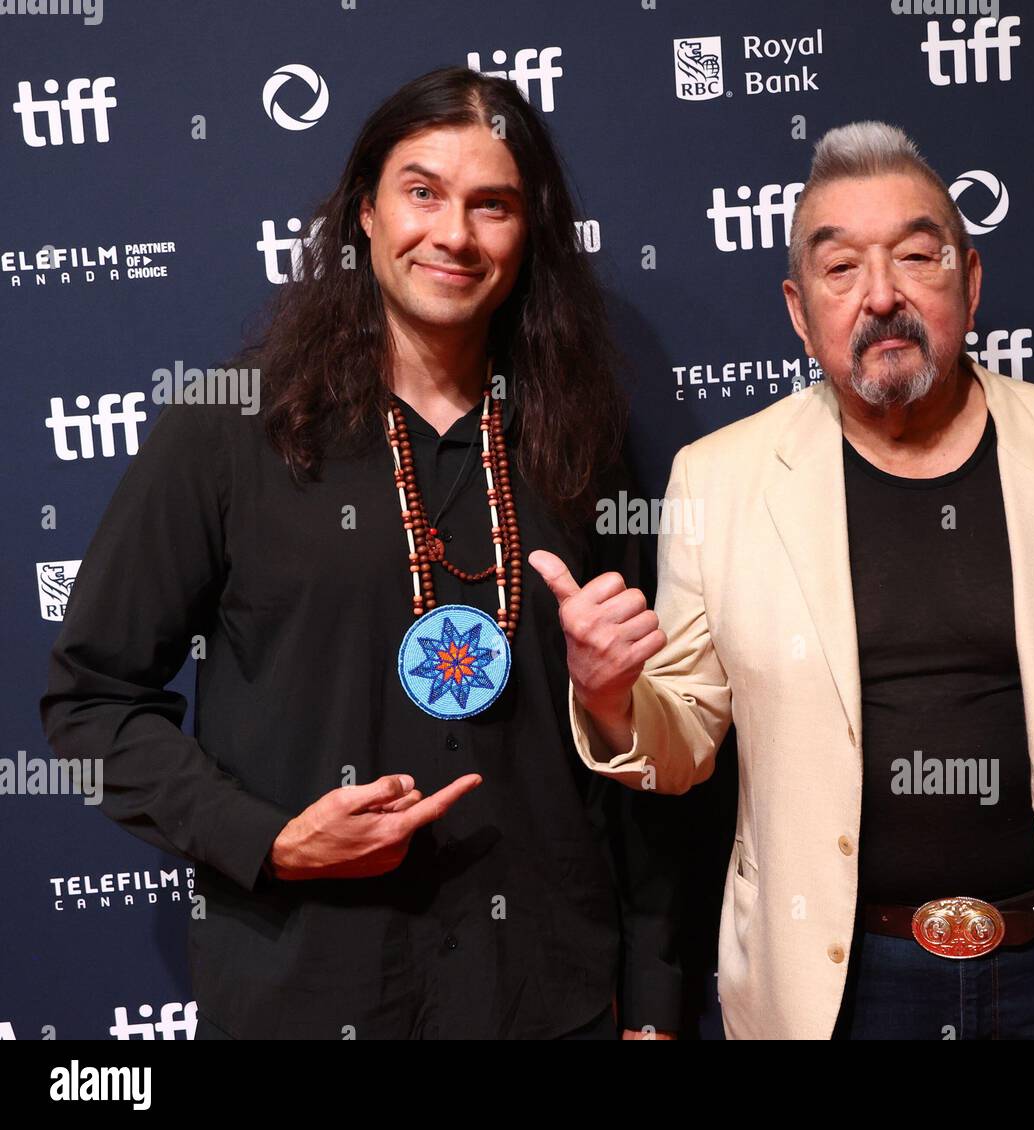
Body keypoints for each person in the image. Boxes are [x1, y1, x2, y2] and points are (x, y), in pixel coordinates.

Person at [531, 120, 1034, 1040]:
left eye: (917, 256)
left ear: (972, 282)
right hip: (834, 993)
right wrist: (614, 699)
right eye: (840, 270)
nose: (881, 296)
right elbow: (685, 744)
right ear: (798, 310)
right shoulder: (722, 479)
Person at [41, 66, 680, 1040]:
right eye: (421, 191)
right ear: (365, 215)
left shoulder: (576, 437)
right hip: (309, 988)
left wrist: (656, 998)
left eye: (492, 205)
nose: (454, 234)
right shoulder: (233, 428)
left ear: (528, 236)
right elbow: (91, 700)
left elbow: (630, 748)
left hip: (545, 999)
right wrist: (271, 839)